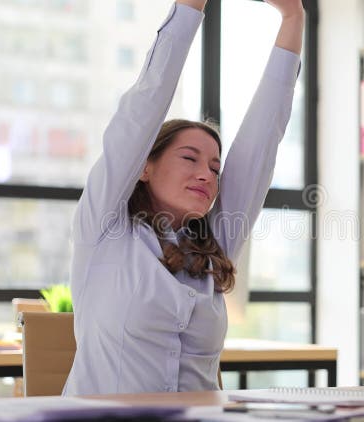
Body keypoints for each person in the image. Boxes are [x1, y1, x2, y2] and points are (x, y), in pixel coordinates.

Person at [63, 0, 304, 395]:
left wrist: (293, 18)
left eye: (214, 167)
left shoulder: (214, 245)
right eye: (189, 158)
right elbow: (144, 105)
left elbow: (264, 138)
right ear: (145, 165)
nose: (205, 174)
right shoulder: (105, 230)